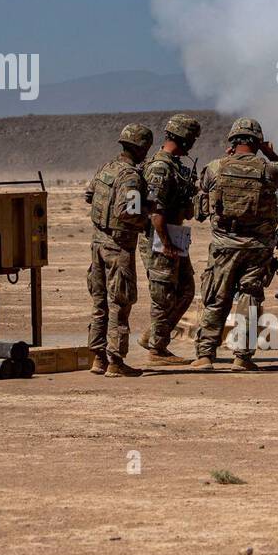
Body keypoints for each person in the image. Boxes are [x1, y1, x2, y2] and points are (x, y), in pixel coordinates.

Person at [191, 118, 278, 372]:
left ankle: (205, 355)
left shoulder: (215, 167)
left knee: (216, 299)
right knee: (249, 299)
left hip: (223, 246)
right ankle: (242, 357)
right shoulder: (269, 169)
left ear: (232, 141)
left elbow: (201, 203)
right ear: (257, 142)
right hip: (257, 248)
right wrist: (271, 152)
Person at [84, 124, 154, 377]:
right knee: (119, 304)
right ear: (140, 148)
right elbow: (129, 211)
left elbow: (89, 195)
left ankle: (98, 358)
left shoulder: (107, 168)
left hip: (98, 244)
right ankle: (115, 361)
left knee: (99, 303)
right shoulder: (131, 177)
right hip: (118, 247)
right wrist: (147, 217)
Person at [136, 114, 202, 366]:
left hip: (174, 236)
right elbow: (155, 212)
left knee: (186, 290)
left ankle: (154, 336)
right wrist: (165, 242)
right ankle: (157, 350)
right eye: (192, 139)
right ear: (184, 138)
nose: (192, 145)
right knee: (163, 295)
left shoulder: (174, 166)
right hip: (159, 239)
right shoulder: (160, 167)